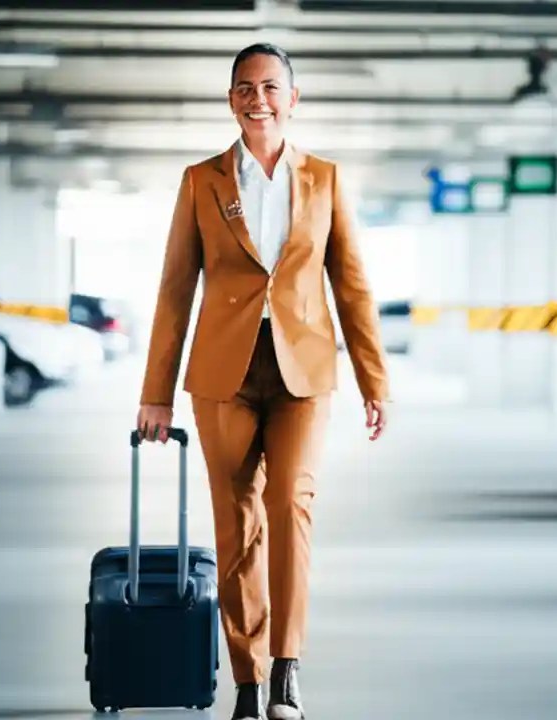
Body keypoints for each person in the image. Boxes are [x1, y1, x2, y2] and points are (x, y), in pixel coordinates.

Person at [135, 43, 391, 720]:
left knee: (289, 504)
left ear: (292, 99)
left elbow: (352, 287)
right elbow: (174, 289)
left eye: (271, 87)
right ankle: (248, 683)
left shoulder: (325, 179)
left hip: (302, 372)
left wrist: (374, 381)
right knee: (235, 523)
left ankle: (287, 668)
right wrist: (156, 392)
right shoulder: (202, 181)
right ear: (231, 100)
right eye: (245, 88)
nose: (259, 99)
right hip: (224, 373)